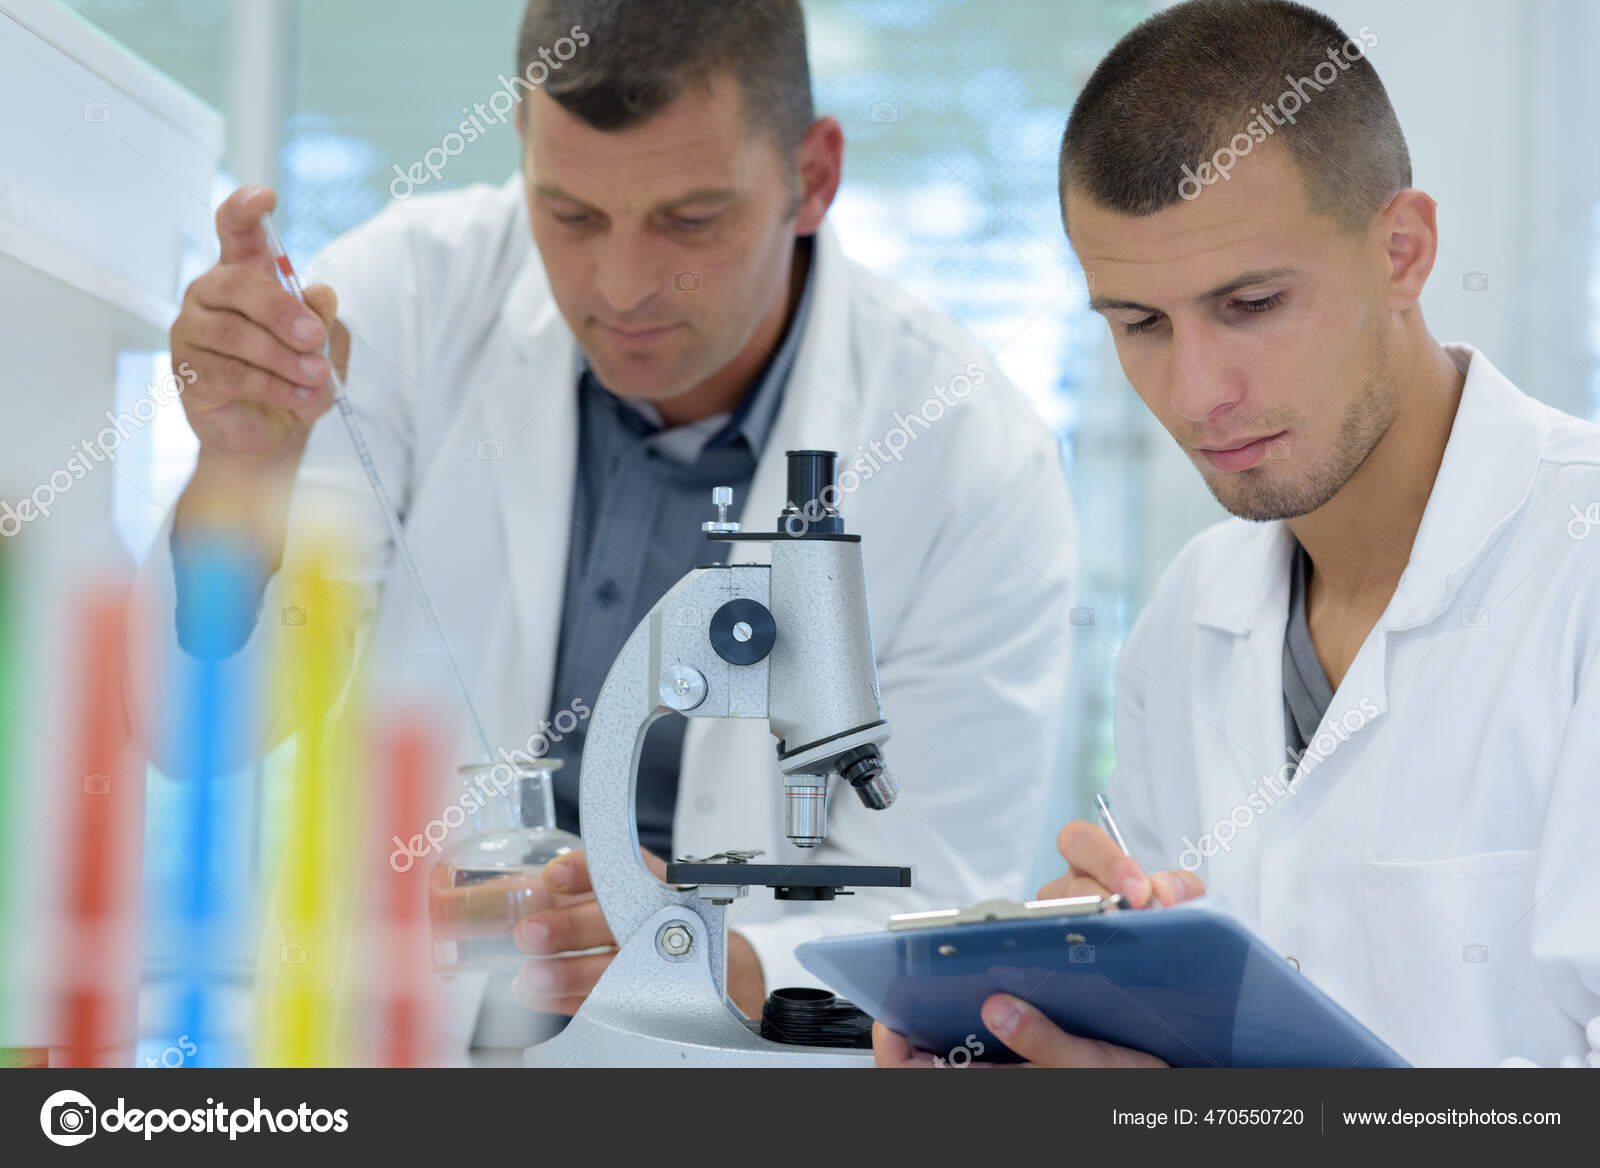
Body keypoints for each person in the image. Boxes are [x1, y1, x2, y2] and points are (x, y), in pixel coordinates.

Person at [128, 0, 1076, 1059]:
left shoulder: (967, 454)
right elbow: (189, 727)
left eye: (690, 219)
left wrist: (709, 954)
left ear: (811, 177)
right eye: (571, 216)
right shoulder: (406, 298)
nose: (622, 289)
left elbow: (939, 915)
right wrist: (245, 473)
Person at [877, 0, 1599, 1069]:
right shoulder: (1187, 620)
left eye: (1251, 304)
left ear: (1402, 251)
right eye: (1140, 324)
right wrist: (1069, 1025)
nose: (1197, 393)